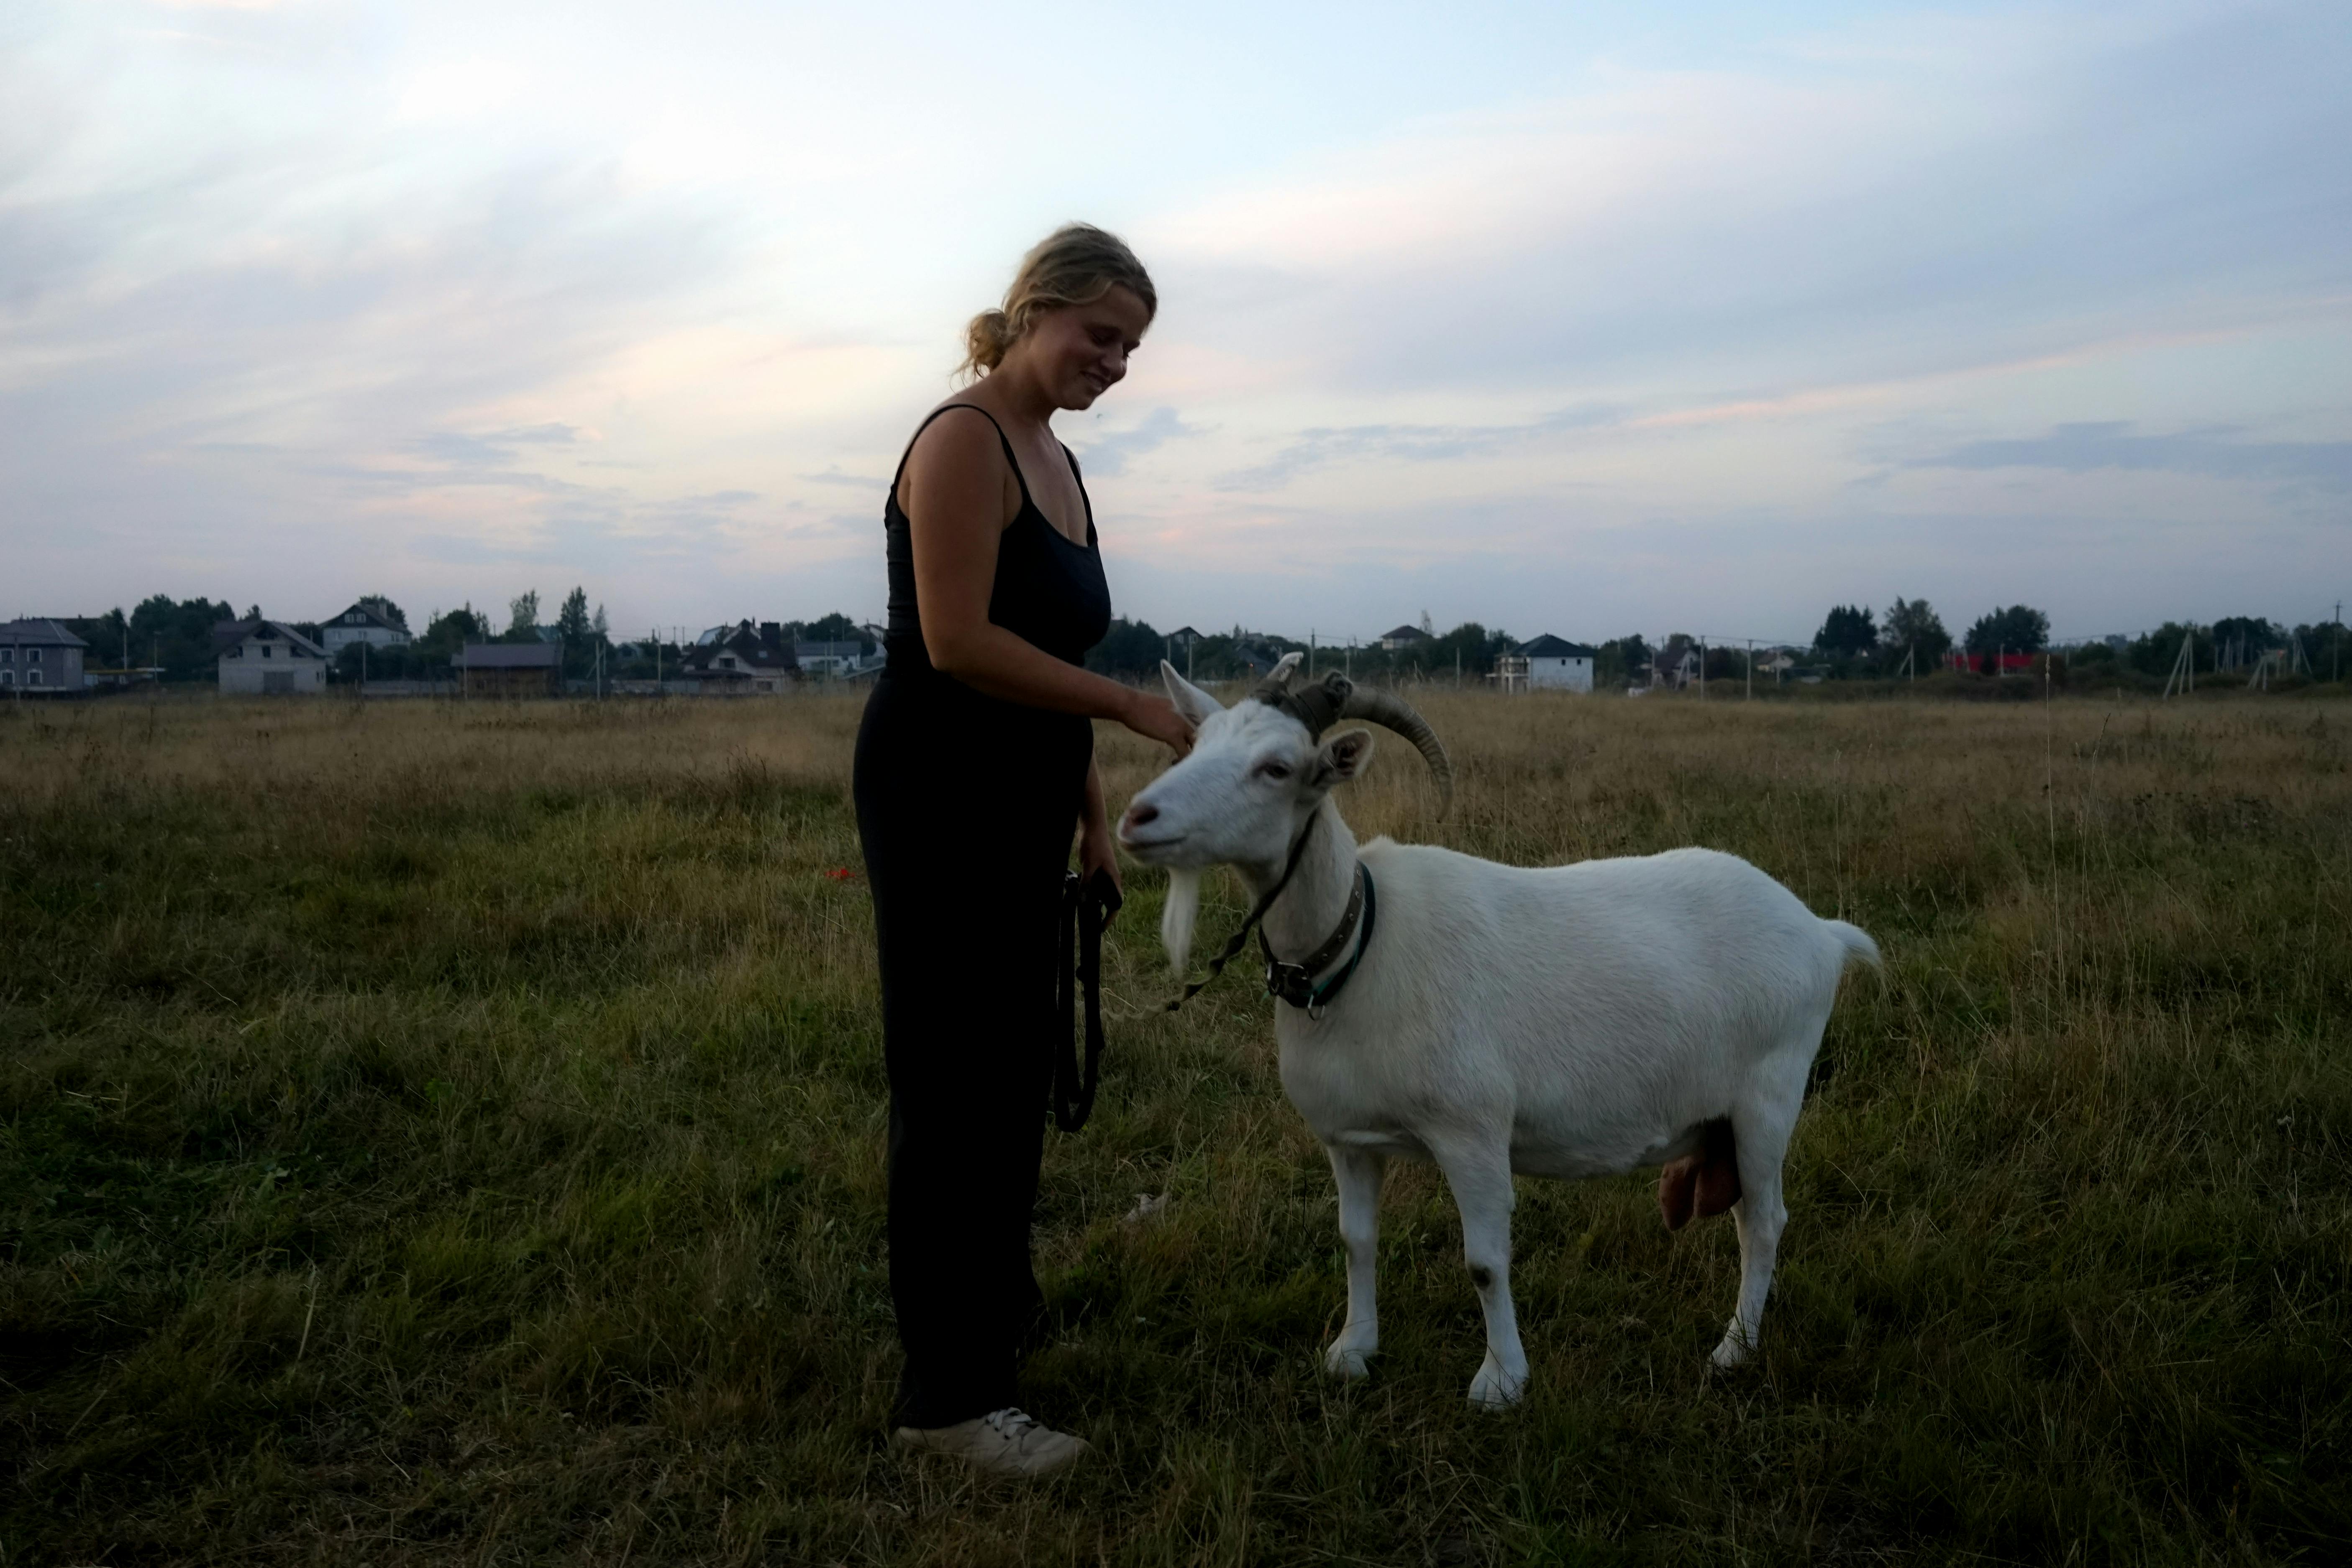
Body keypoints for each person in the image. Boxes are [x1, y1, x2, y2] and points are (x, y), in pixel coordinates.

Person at [853, 224, 1193, 1478]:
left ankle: (991, 1312)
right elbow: (957, 643)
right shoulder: (963, 442)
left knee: (1011, 1067)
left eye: (1131, 346)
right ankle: (949, 1399)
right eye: (1099, 333)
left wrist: (1094, 818)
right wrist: (1127, 710)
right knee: (953, 1083)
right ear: (1034, 308)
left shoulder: (1056, 457)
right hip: (940, 789)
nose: (1114, 361)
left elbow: (1057, 663)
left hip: (1026, 798)